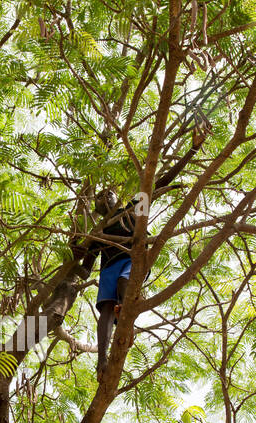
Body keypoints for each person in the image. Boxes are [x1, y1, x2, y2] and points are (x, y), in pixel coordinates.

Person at [79, 123, 208, 378]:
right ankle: (102, 361)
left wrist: (192, 150)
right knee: (105, 307)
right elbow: (84, 269)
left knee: (125, 282)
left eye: (109, 194)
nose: (105, 197)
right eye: (100, 199)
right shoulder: (96, 233)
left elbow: (158, 182)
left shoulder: (131, 209)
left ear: (117, 199)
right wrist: (76, 249)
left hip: (132, 260)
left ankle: (126, 321)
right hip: (108, 267)